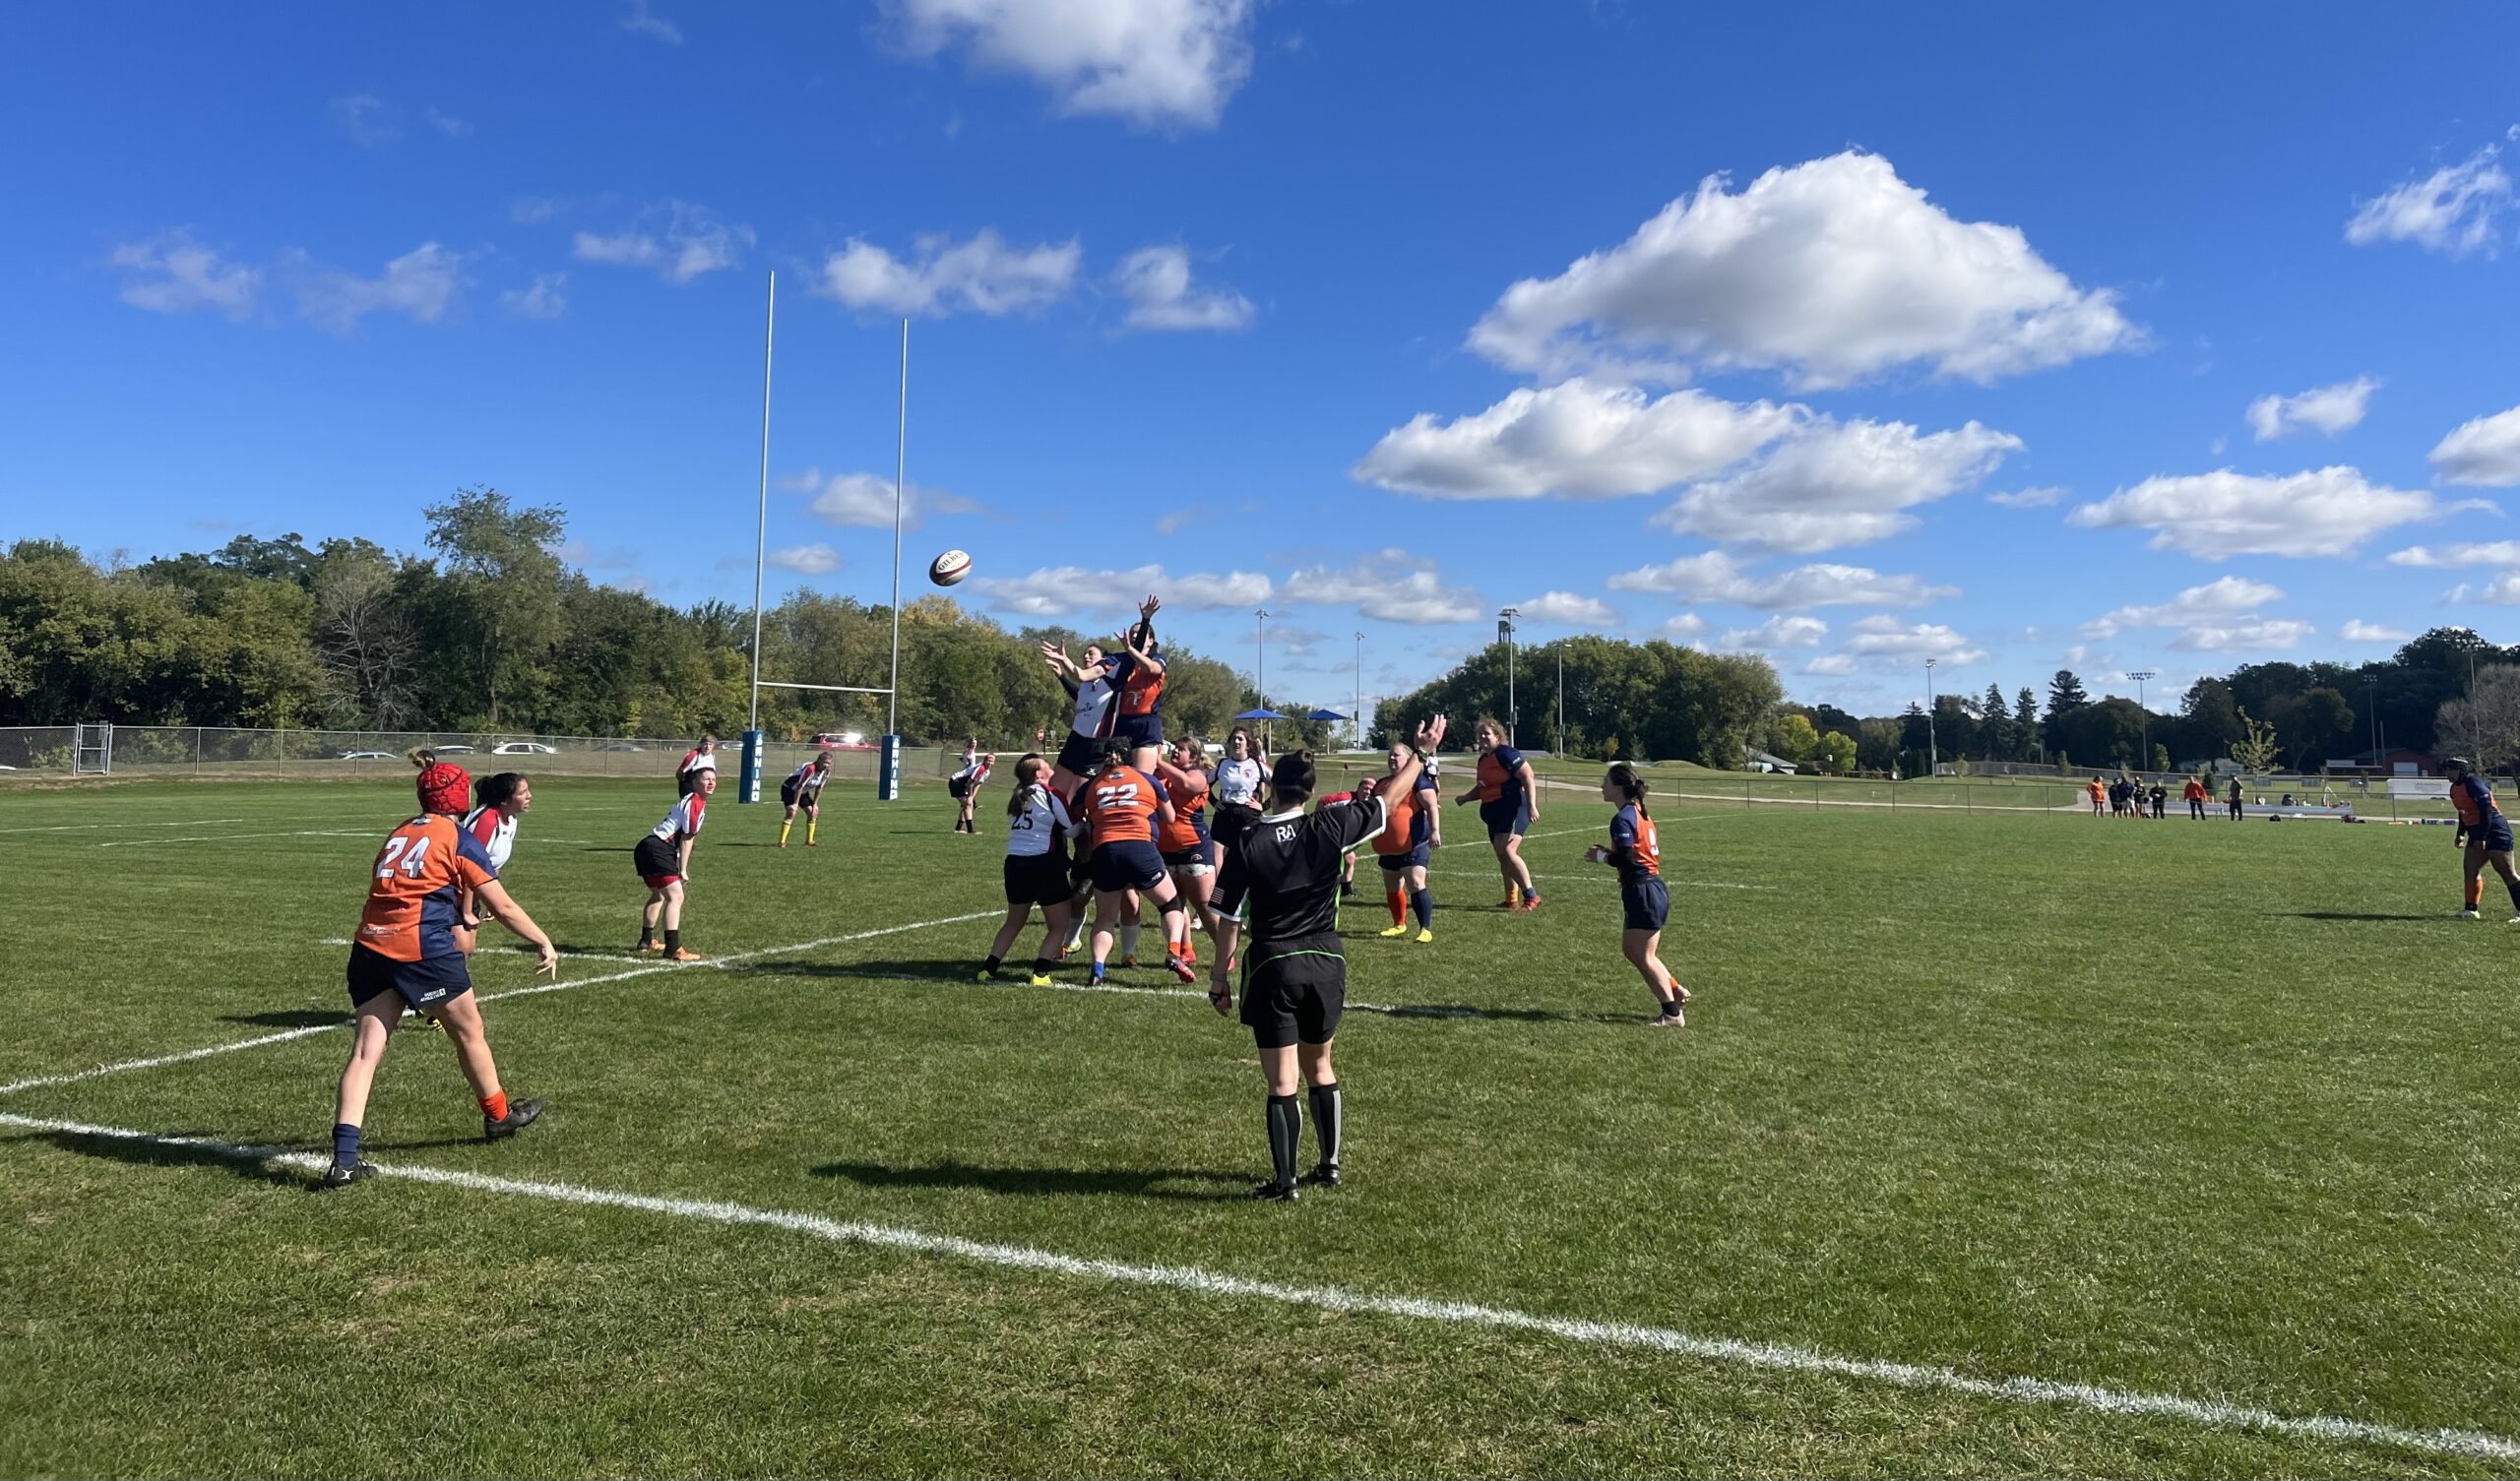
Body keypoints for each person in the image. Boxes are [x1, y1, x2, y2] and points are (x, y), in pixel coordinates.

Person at [1212, 715, 1449, 1202]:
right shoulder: (1332, 823)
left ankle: (1285, 1182)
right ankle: (1330, 1164)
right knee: (1321, 1067)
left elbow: (1230, 920)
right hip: (1325, 959)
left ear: (1269, 786)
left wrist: (1219, 976)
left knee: (1283, 1080)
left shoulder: (1248, 841)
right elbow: (1388, 802)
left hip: (1274, 963)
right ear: (1310, 790)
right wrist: (1422, 757)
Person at [321, 750, 558, 1189]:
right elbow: (501, 904)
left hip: (369, 945)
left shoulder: (399, 831)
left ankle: (344, 1160)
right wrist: (542, 939)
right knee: (469, 1031)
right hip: (421, 949)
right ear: (459, 797)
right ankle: (499, 1116)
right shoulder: (459, 837)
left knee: (365, 1052)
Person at [1080, 739, 1199, 984]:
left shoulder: (1094, 783)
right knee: (1170, 904)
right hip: (1139, 846)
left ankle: (1098, 969)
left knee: (1104, 918)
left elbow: (1077, 812)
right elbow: (1169, 816)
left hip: (1105, 850)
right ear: (1130, 756)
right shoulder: (1146, 778)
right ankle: (1174, 951)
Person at [1586, 763, 1688, 1026]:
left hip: (1643, 889)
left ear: (1618, 786)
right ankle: (1674, 989)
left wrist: (1601, 857)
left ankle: (1672, 1013)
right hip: (1648, 887)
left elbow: (1629, 861)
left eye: (1606, 782)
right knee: (1635, 951)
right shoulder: (1640, 812)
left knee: (1641, 954)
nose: (1601, 787)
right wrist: (1610, 855)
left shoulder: (1623, 818)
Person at [981, 755, 1075, 984]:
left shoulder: (1018, 796)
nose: (1051, 768)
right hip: (1043, 864)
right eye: (1046, 766)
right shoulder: (1051, 794)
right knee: (1059, 924)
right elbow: (1072, 830)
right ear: (1038, 774)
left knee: (1013, 922)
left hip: (1015, 864)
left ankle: (988, 969)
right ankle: (1040, 973)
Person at [1456, 718, 1540, 911]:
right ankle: (1511, 900)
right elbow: (1483, 787)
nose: (1483, 737)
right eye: (1480, 734)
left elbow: (1528, 775)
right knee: (1502, 856)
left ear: (1497, 736)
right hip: (1495, 811)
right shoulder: (1483, 760)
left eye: (1487, 733)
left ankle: (1531, 896)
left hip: (1514, 807)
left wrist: (1532, 806)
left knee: (1508, 851)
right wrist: (1466, 798)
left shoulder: (1506, 753)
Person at [1151, 737, 1221, 959]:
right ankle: (1185, 950)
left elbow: (1186, 785)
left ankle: (1224, 952)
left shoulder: (1198, 775)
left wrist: (1159, 763)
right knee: (1173, 904)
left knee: (1203, 905)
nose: (1176, 752)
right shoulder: (1159, 774)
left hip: (1194, 849)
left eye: (1182, 750)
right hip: (1164, 848)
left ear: (1193, 757)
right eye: (1175, 748)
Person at [636, 770, 713, 960]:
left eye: (713, 779)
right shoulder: (695, 801)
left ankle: (646, 941)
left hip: (646, 846)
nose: (711, 782)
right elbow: (687, 838)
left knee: (658, 895)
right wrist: (683, 869)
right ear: (695, 783)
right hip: (659, 848)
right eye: (706, 779)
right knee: (676, 896)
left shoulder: (693, 801)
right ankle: (672, 949)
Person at [1368, 741, 1440, 943]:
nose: (1392, 758)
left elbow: (1432, 805)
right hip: (1388, 848)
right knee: (1392, 887)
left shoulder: (1418, 780)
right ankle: (1399, 924)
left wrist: (1435, 831)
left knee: (1416, 883)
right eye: (1390, 755)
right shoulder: (1381, 784)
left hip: (1414, 844)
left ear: (1409, 760)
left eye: (1397, 756)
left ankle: (1425, 929)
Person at [1043, 638, 1130, 796]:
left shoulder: (1111, 681)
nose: (1086, 657)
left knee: (1077, 798)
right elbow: (1080, 697)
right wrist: (1062, 676)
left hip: (1096, 744)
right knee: (1055, 792)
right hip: (1075, 739)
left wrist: (1064, 659)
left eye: (1091, 653)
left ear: (1104, 659)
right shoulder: (1086, 685)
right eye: (1084, 654)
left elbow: (1081, 675)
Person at [455, 771, 531, 946]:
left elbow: (491, 864)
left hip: (470, 891)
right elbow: (469, 867)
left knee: (467, 950)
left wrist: (491, 899)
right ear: (504, 801)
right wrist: (466, 911)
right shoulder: (487, 821)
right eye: (521, 793)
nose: (529, 796)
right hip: (454, 892)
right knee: (461, 950)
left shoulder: (510, 819)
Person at [2443, 758, 2520, 921]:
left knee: (2507, 872)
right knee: (2470, 868)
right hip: (2477, 831)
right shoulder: (2454, 789)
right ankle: (2471, 910)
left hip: (2495, 830)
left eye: (2451, 769)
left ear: (2461, 770)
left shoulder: (2474, 783)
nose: (2448, 773)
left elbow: (2487, 811)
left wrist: (2483, 837)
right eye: (2447, 769)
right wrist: (2461, 833)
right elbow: (2463, 811)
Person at [1112, 595, 1167, 751]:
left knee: (1141, 774)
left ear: (1150, 641)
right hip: (1123, 722)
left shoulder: (1157, 659)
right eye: (1132, 634)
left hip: (1146, 722)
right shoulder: (1122, 662)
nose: (1135, 636)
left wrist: (1145, 619)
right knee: (1118, 772)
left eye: (1139, 634)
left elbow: (1151, 668)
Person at [1210, 727, 1272, 858]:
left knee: (1247, 857)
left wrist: (1264, 806)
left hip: (1247, 815)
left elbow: (1281, 785)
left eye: (1240, 739)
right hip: (1224, 814)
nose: (1236, 741)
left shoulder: (1257, 765)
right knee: (1218, 855)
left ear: (1248, 744)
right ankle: (1220, 879)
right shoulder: (1222, 764)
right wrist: (1214, 802)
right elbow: (1203, 785)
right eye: (1233, 738)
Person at [779, 752, 831, 848]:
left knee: (812, 812)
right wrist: (795, 804)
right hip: (790, 789)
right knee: (791, 812)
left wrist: (815, 804)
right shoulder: (810, 768)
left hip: (803, 792)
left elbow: (819, 788)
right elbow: (800, 785)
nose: (826, 765)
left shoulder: (826, 771)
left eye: (829, 763)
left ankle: (809, 841)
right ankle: (781, 842)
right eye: (825, 762)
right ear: (819, 760)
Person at [949, 751, 996, 833]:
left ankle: (958, 829)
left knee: (967, 805)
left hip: (963, 785)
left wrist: (972, 797)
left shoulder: (987, 772)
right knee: (968, 805)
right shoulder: (981, 768)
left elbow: (977, 784)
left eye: (992, 761)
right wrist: (970, 797)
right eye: (988, 761)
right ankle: (970, 831)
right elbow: (970, 783)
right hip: (956, 782)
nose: (990, 763)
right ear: (985, 760)